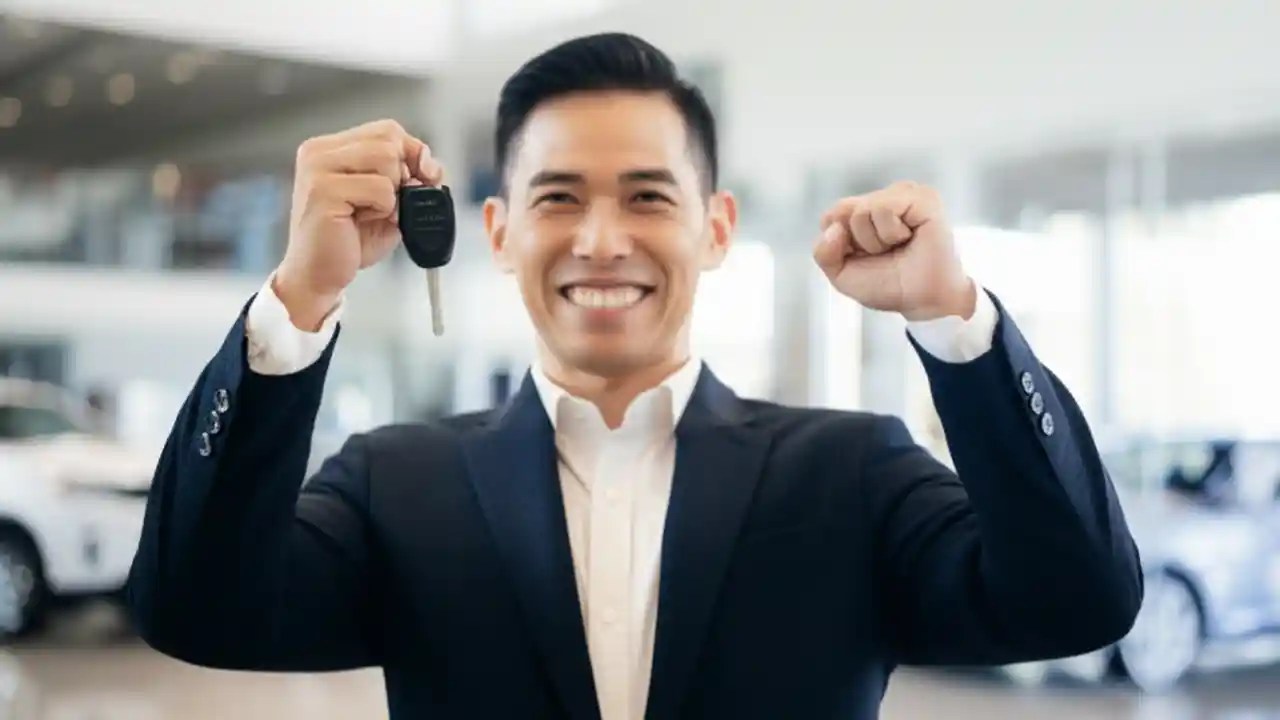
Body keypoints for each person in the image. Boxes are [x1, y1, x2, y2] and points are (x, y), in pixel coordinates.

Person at [127, 32, 1142, 720]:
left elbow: (1077, 601)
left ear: (716, 229)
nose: (602, 240)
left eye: (648, 197)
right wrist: (300, 298)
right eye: (559, 197)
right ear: (498, 232)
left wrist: (951, 319)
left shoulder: (851, 473)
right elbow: (194, 610)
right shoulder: (395, 484)